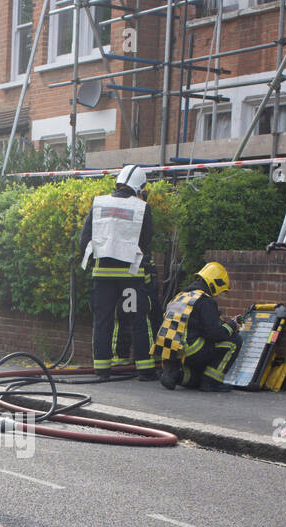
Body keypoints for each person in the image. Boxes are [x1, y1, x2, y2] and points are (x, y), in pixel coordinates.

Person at [78, 164, 159, 382]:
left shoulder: (99, 203)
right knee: (136, 319)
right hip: (130, 278)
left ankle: (102, 369)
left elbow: (84, 240)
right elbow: (146, 241)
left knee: (103, 320)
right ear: (139, 187)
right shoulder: (142, 208)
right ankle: (145, 370)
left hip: (103, 277)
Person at [156, 261, 240, 392]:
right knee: (234, 341)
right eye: (221, 292)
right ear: (214, 283)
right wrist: (232, 326)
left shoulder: (181, 296)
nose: (219, 296)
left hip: (171, 350)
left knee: (198, 377)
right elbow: (214, 334)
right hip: (190, 349)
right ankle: (212, 382)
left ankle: (176, 375)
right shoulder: (204, 300)